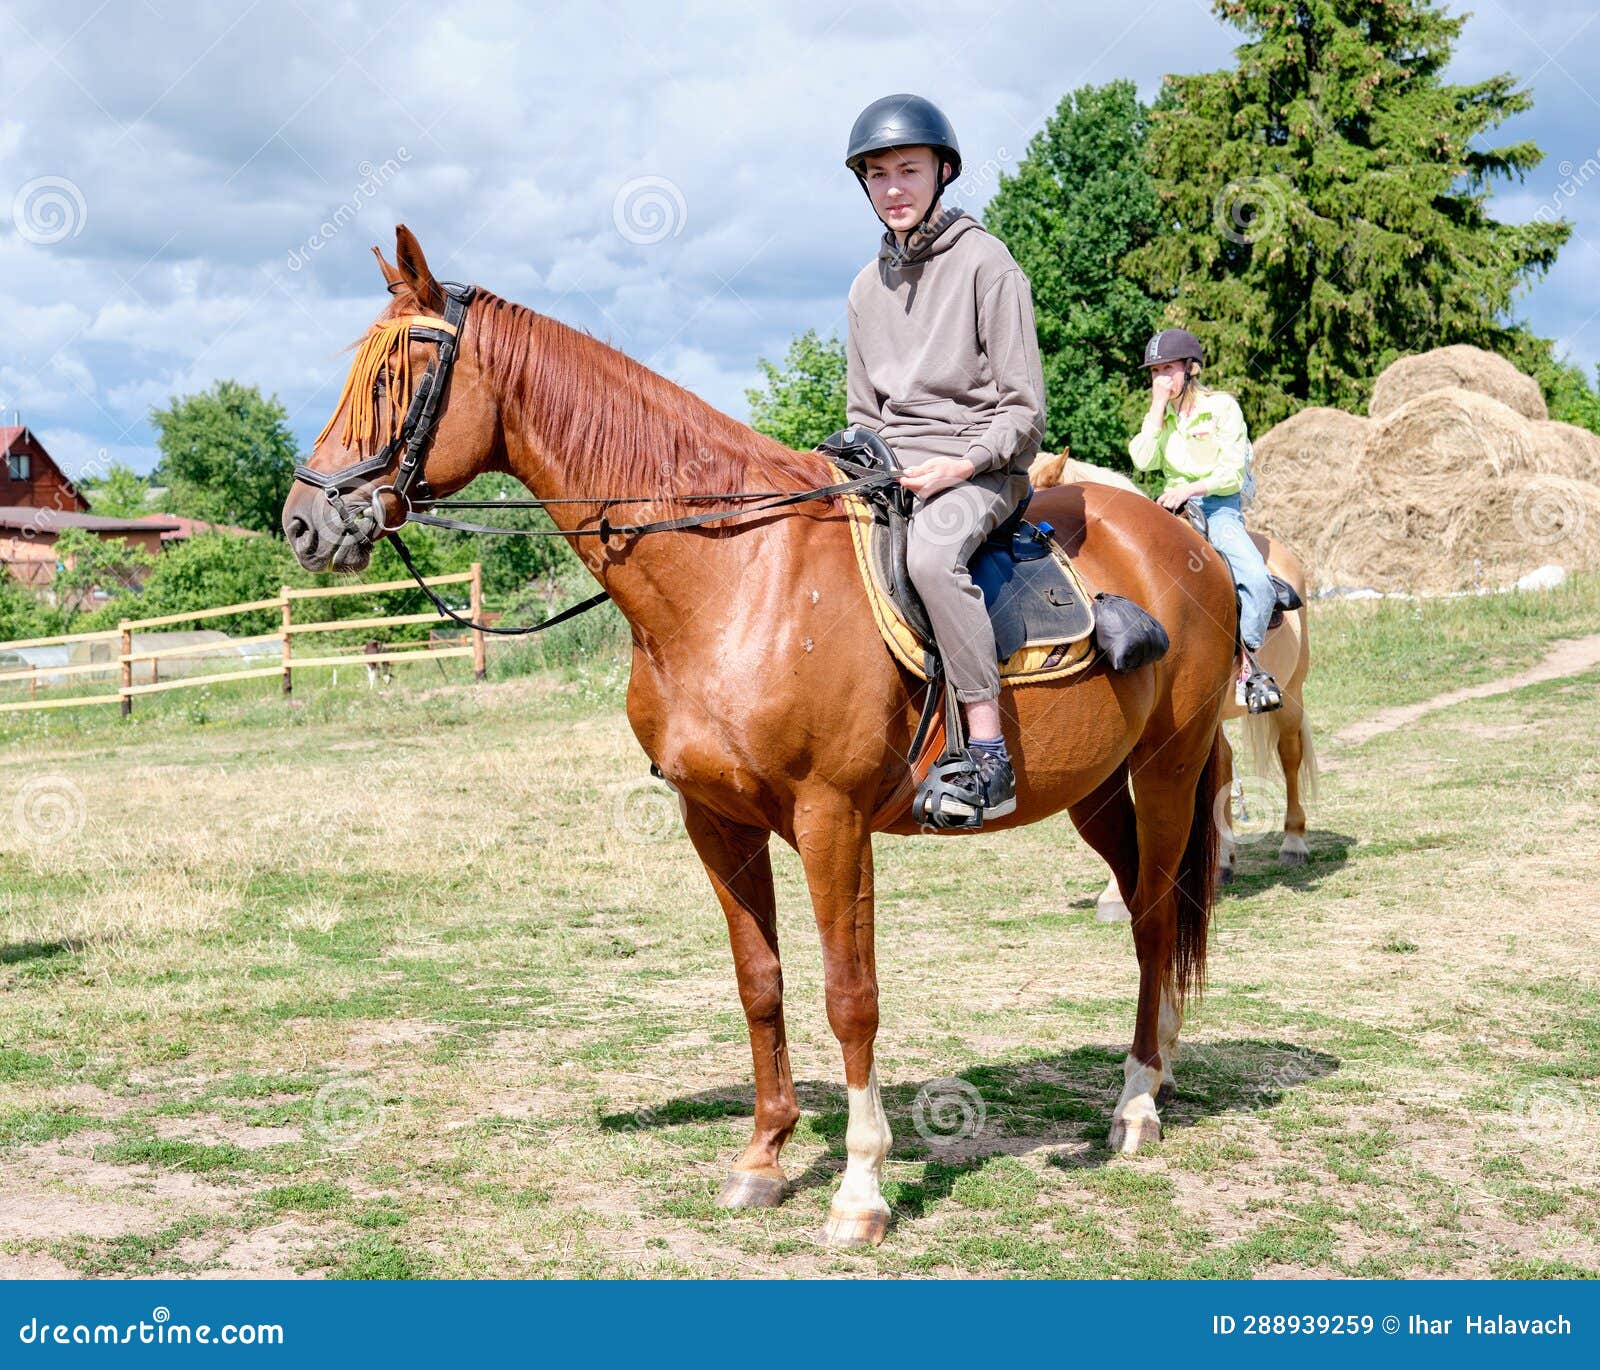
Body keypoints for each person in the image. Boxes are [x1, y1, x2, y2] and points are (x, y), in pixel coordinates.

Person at [843, 94, 1049, 818]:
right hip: (894, 471)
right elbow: (863, 412)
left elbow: (1025, 411)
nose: (893, 187)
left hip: (983, 470)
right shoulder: (865, 289)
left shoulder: (989, 264)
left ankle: (988, 753)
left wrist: (961, 465)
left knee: (931, 555)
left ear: (942, 171)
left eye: (908, 169)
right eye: (876, 175)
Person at [1128, 328, 1283, 712]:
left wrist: (1190, 490)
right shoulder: (1159, 417)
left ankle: (1248, 669)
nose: (1161, 378)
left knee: (1258, 584)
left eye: (1168, 369)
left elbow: (1232, 473)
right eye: (1155, 372)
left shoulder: (1222, 408)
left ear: (1190, 368)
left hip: (1217, 508)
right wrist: (1155, 408)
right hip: (1168, 509)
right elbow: (1142, 460)